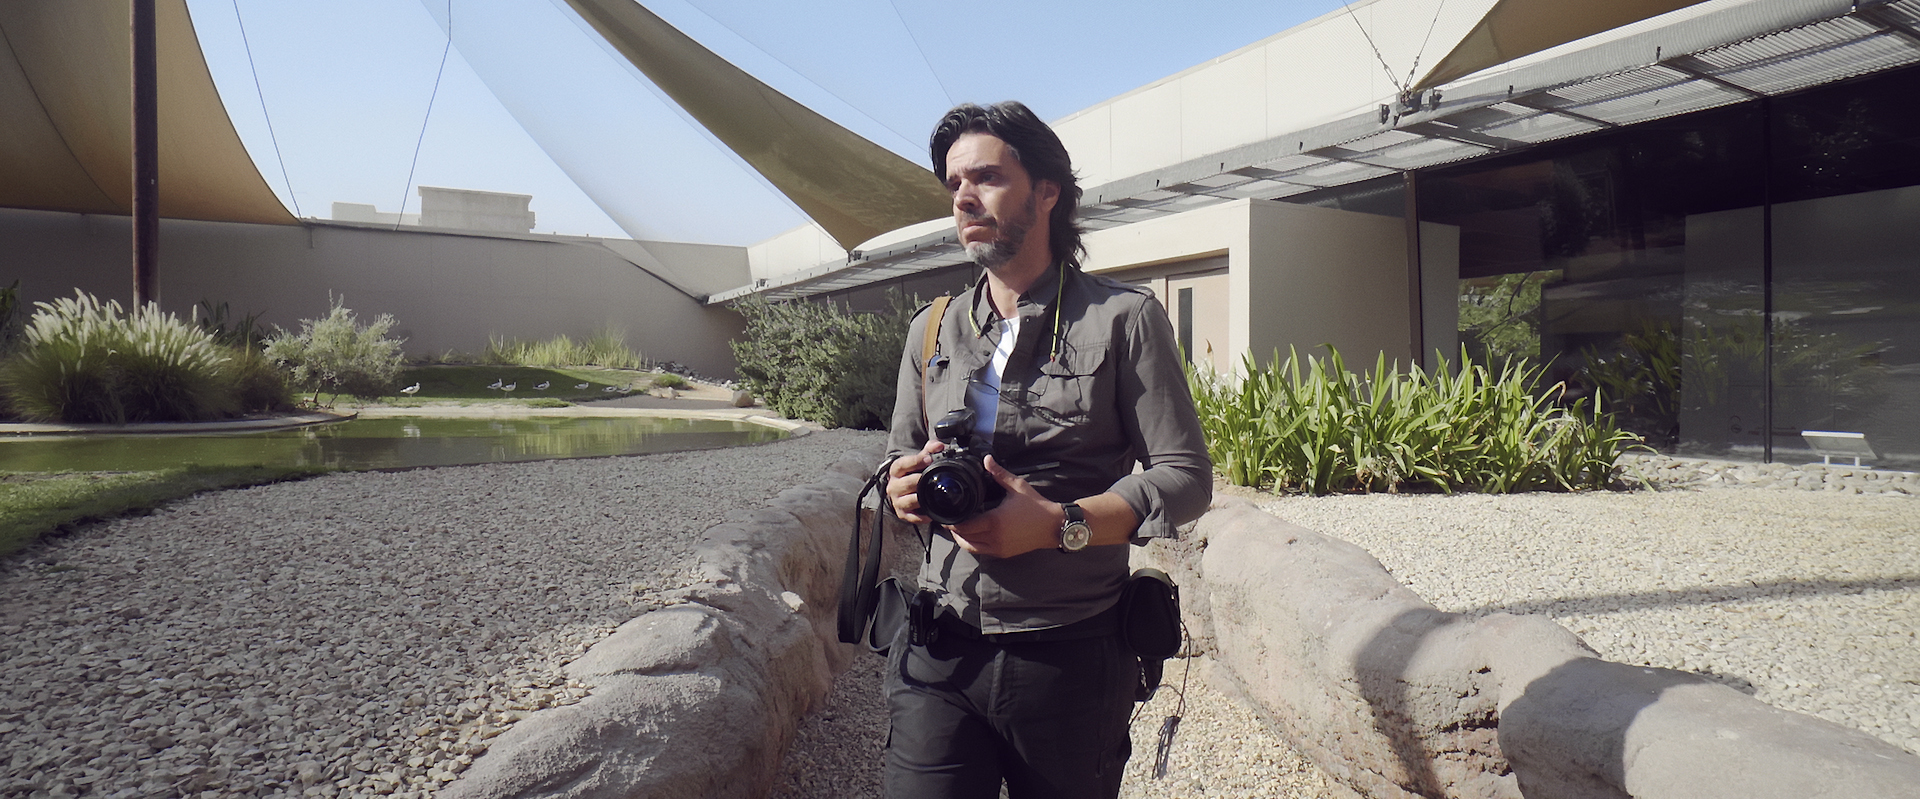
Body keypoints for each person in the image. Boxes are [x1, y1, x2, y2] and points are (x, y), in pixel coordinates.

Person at [881, 100, 1212, 799]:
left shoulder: (1125, 320)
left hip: (1072, 658)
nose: (963, 196)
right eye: (953, 184)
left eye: (986, 177)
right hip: (941, 644)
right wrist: (902, 486)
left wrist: (1062, 524)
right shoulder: (930, 330)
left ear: (1047, 191)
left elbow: (1186, 477)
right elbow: (898, 456)